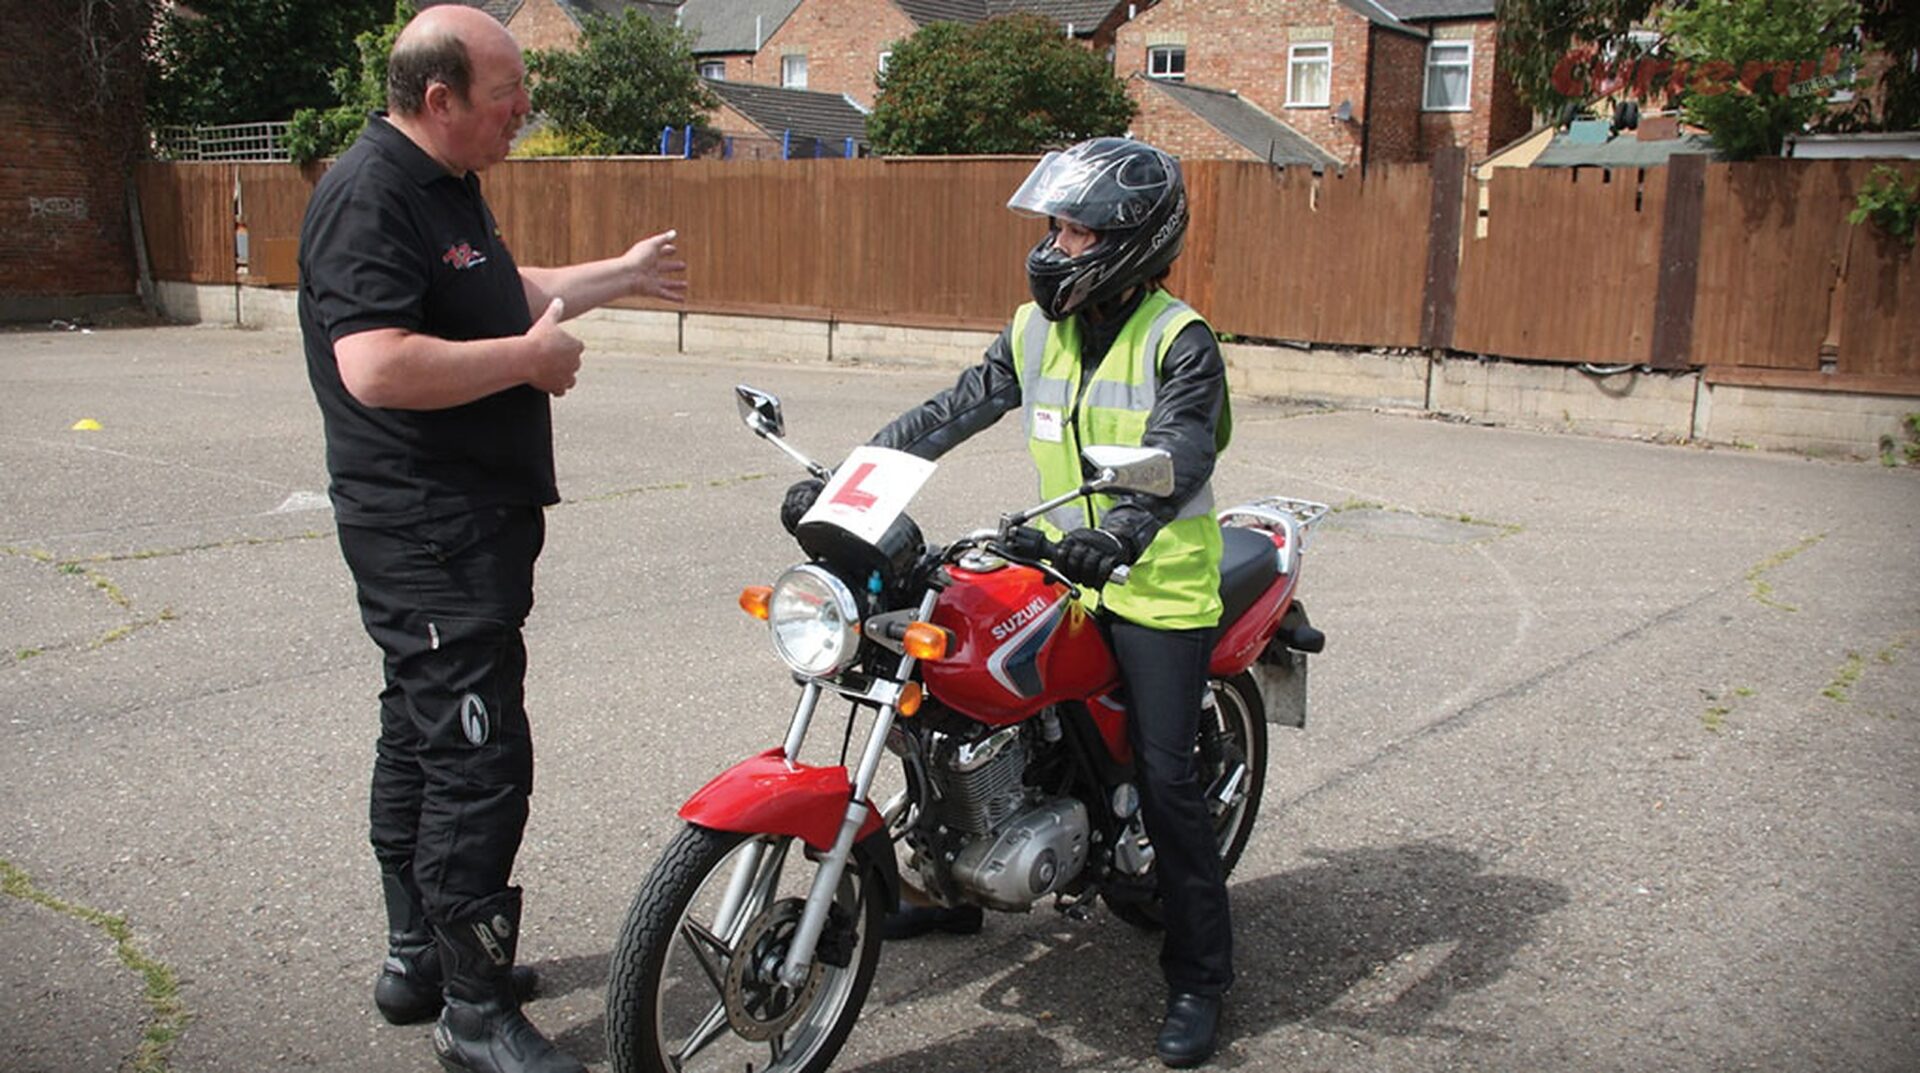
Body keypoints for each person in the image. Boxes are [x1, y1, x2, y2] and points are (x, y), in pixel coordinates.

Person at [780, 137, 1233, 1068]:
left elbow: (1182, 448)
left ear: (1133, 239)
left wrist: (1128, 527)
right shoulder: (1038, 332)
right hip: (1059, 564)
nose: (1055, 244)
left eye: (1075, 229)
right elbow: (956, 408)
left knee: (1167, 778)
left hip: (1154, 583)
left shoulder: (1179, 339)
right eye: (1055, 225)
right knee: (936, 695)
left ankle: (1200, 974)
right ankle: (951, 887)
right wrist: (853, 486)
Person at [296, 6, 686, 1072]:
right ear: (440, 99)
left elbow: (497, 295)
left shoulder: (444, 187)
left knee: (420, 732)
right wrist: (527, 363)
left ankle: (420, 955)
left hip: (463, 528)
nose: (525, 108)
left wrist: (617, 272)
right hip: (428, 529)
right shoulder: (371, 196)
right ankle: (472, 1011)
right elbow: (375, 364)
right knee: (477, 756)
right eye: (509, 90)